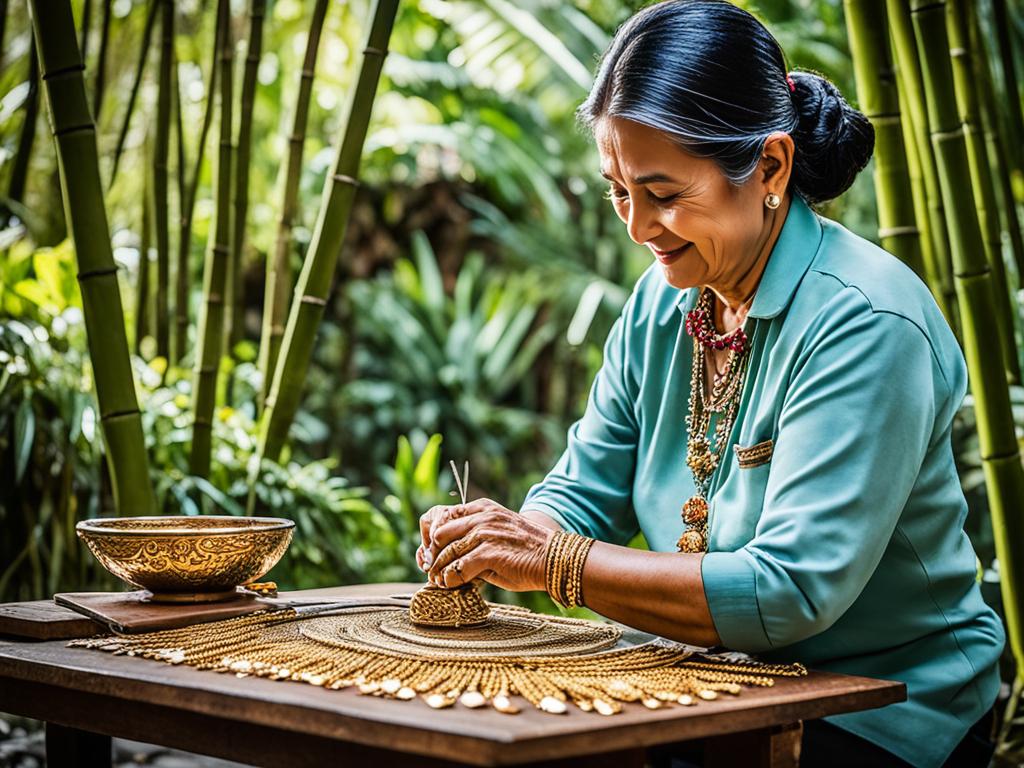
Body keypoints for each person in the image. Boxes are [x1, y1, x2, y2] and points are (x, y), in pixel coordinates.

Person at [415, 1, 1005, 766]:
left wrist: (551, 560)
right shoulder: (663, 303)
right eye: (619, 191)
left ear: (770, 167)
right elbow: (581, 491)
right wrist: (496, 544)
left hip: (879, 713)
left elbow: (787, 592)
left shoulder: (867, 322)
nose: (636, 227)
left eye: (663, 195)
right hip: (706, 689)